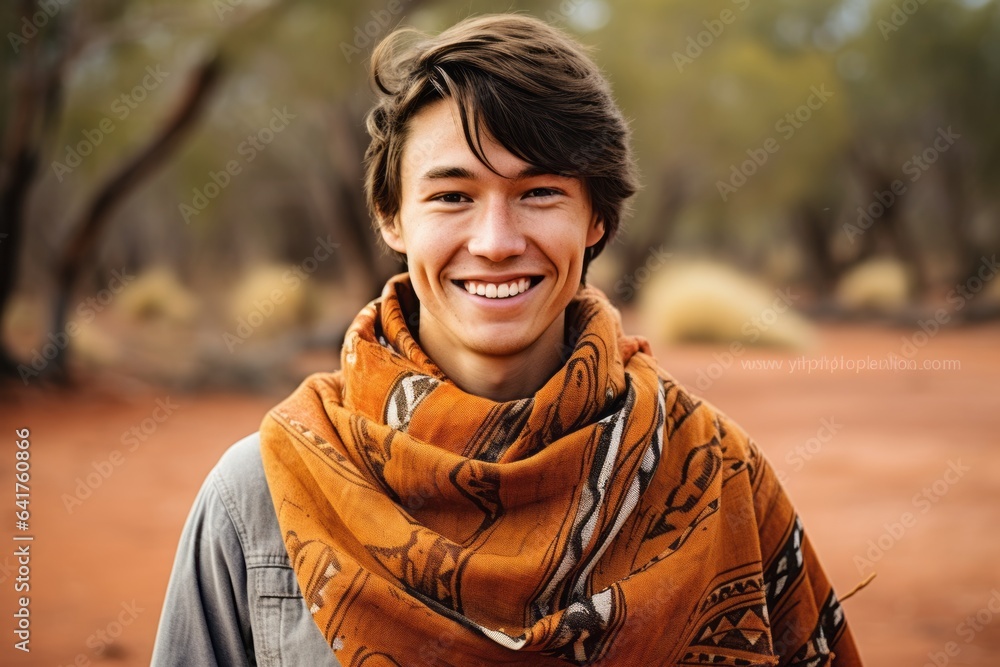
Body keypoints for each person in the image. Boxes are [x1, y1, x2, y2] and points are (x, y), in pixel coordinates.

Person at [152, 13, 863, 666]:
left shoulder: (714, 475)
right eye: (452, 195)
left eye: (539, 192)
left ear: (597, 218)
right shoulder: (262, 495)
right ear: (391, 217)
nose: (495, 242)